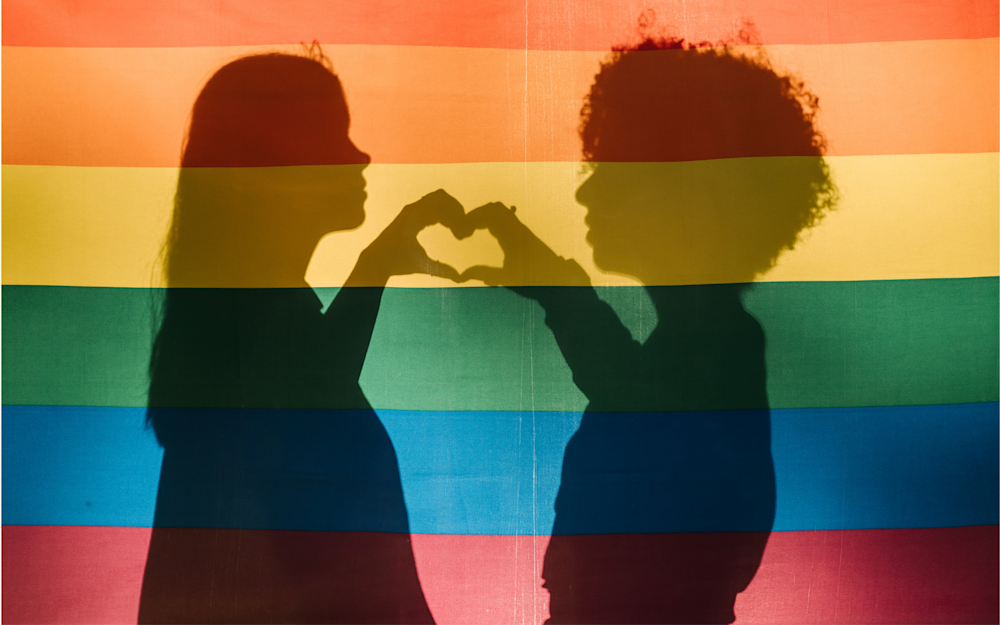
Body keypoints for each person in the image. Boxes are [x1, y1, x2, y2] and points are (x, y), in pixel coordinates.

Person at [462, 38, 837, 623]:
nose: (586, 191)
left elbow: (641, 398)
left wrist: (560, 290)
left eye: (614, 170)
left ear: (687, 193)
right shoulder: (710, 344)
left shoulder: (722, 345)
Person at [138, 52, 466, 624]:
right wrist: (376, 263)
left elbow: (314, 378)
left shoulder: (245, 348)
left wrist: (377, 262)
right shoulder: (257, 363)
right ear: (260, 167)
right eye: (332, 135)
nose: (360, 156)